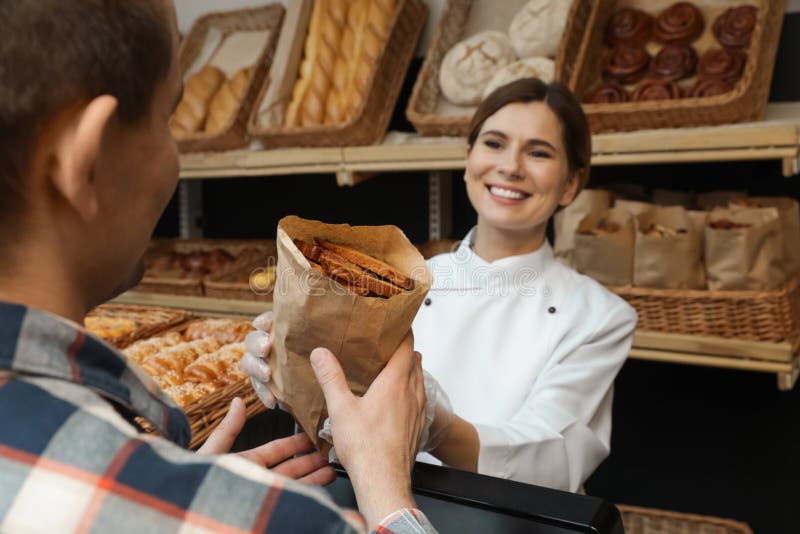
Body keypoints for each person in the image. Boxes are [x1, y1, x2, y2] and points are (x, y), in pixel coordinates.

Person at [0, 1, 435, 532]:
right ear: (87, 163)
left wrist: (180, 489)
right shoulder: (287, 522)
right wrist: (387, 491)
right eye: (168, 118)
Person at [244, 78, 637, 493]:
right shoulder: (401, 285)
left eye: (538, 152)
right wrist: (293, 365)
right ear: (468, 158)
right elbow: (335, 427)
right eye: (494, 143)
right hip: (371, 504)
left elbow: (548, 462)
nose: (511, 166)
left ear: (571, 184)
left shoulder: (599, 316)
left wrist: (439, 425)